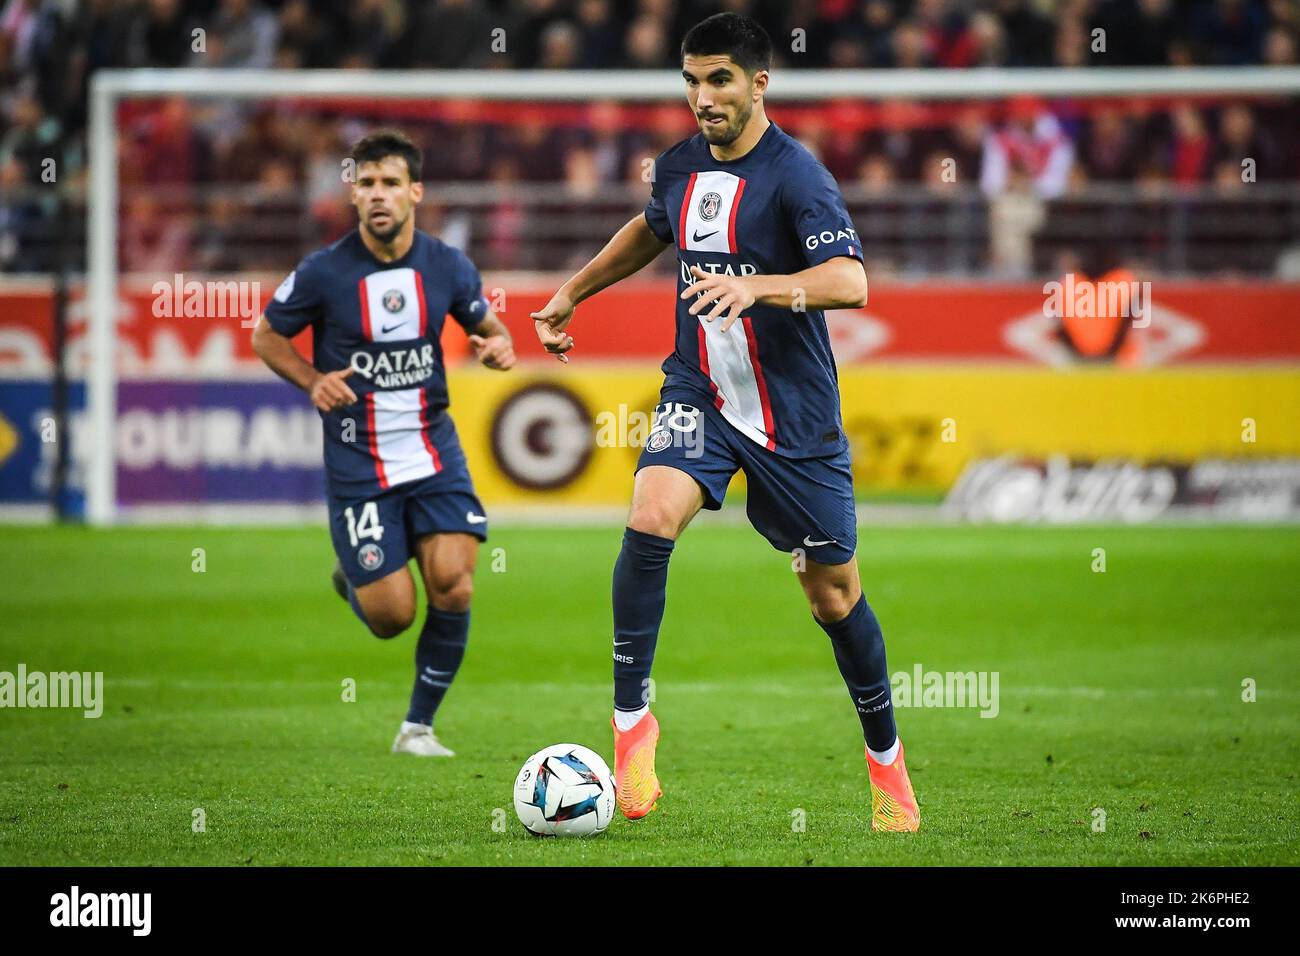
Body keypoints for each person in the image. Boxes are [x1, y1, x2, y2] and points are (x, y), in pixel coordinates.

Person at [531, 13, 919, 831]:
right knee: (650, 514)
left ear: (758, 84)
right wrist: (573, 291)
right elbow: (650, 229)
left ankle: (886, 765)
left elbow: (851, 281)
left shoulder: (797, 177)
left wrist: (761, 287)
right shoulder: (677, 167)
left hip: (794, 418)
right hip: (699, 392)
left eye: (718, 81)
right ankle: (632, 721)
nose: (702, 97)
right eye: (691, 81)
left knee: (833, 596)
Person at [252, 130, 516, 756]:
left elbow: (491, 327)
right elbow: (266, 335)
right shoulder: (323, 271)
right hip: (359, 463)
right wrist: (312, 379)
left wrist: (497, 345)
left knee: (454, 581)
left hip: (432, 450)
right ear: (352, 193)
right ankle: (357, 578)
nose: (378, 195)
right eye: (366, 183)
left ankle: (417, 728)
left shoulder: (446, 264)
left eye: (390, 183)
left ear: (415, 192)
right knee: (392, 617)